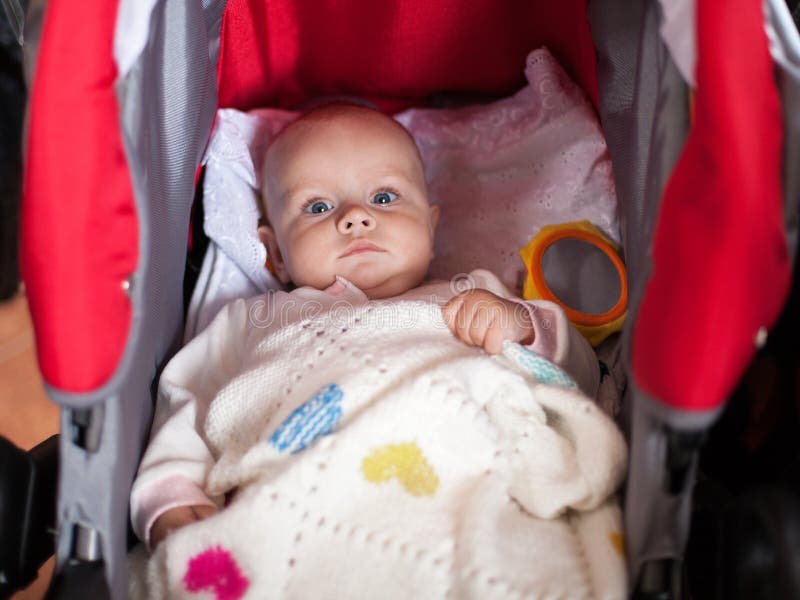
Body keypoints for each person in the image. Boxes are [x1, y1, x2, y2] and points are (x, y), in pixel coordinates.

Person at [129, 105, 619, 597]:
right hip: (298, 494)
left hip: (461, 484)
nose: (355, 217)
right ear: (274, 252)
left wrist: (523, 326)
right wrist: (170, 493)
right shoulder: (248, 322)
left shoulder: (473, 295)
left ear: (430, 227)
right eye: (318, 207)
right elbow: (185, 399)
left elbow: (582, 382)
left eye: (384, 197)